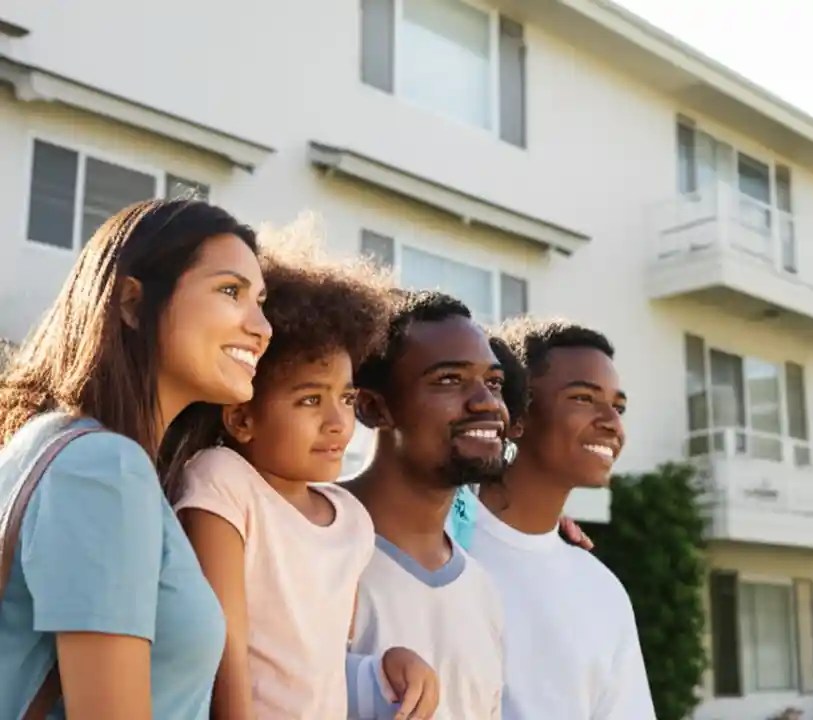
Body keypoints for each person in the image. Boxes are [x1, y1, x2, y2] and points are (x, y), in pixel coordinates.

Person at [0, 199, 267, 719]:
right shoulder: (102, 469)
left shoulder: (46, 445)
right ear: (131, 302)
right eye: (230, 291)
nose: (262, 327)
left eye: (262, 300)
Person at [171, 224, 438, 720]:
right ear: (242, 417)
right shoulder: (223, 480)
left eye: (347, 398)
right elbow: (220, 644)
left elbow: (322, 661)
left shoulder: (352, 520)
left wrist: (389, 664)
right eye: (310, 399)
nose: (338, 422)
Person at [475, 318, 656, 720]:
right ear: (517, 413)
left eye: (618, 406)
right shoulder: (437, 541)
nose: (612, 422)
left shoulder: (602, 590)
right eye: (582, 398)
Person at [344, 291, 509, 719]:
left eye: (494, 383)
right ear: (373, 407)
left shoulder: (482, 591)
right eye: (450, 380)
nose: (487, 403)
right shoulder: (306, 540)